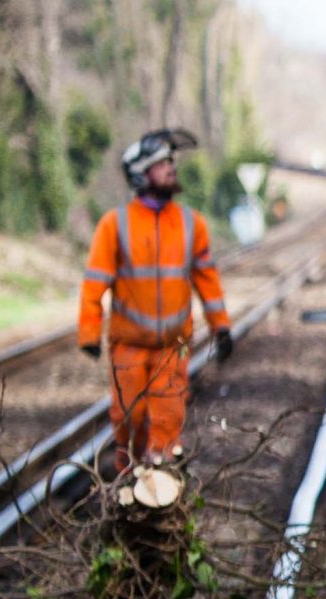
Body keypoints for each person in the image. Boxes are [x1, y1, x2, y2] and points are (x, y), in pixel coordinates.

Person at [78, 129, 233, 471]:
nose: (170, 169)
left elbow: (207, 279)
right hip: (129, 343)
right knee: (128, 414)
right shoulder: (115, 225)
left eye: (170, 163)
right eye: (161, 164)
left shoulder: (191, 224)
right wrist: (89, 334)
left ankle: (162, 483)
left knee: (168, 412)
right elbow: (95, 284)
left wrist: (221, 327)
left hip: (174, 345)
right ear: (140, 174)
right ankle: (128, 481)